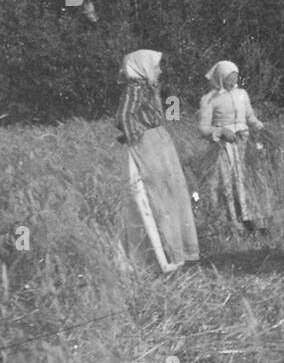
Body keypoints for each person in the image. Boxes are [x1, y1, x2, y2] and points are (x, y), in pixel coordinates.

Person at [115, 49, 199, 273]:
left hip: (158, 140)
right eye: (156, 66)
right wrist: (136, 138)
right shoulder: (135, 89)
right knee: (157, 195)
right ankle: (162, 257)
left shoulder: (147, 88)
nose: (159, 70)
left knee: (170, 193)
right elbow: (124, 116)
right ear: (142, 67)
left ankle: (174, 253)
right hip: (149, 144)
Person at [197, 60, 272, 234]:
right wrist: (221, 131)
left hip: (245, 144)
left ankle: (255, 219)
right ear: (221, 79)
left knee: (249, 180)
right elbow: (203, 128)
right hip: (224, 147)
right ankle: (234, 222)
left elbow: (250, 117)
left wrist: (263, 130)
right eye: (229, 79)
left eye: (236, 78)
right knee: (229, 182)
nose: (233, 82)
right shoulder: (209, 99)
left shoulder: (242, 94)